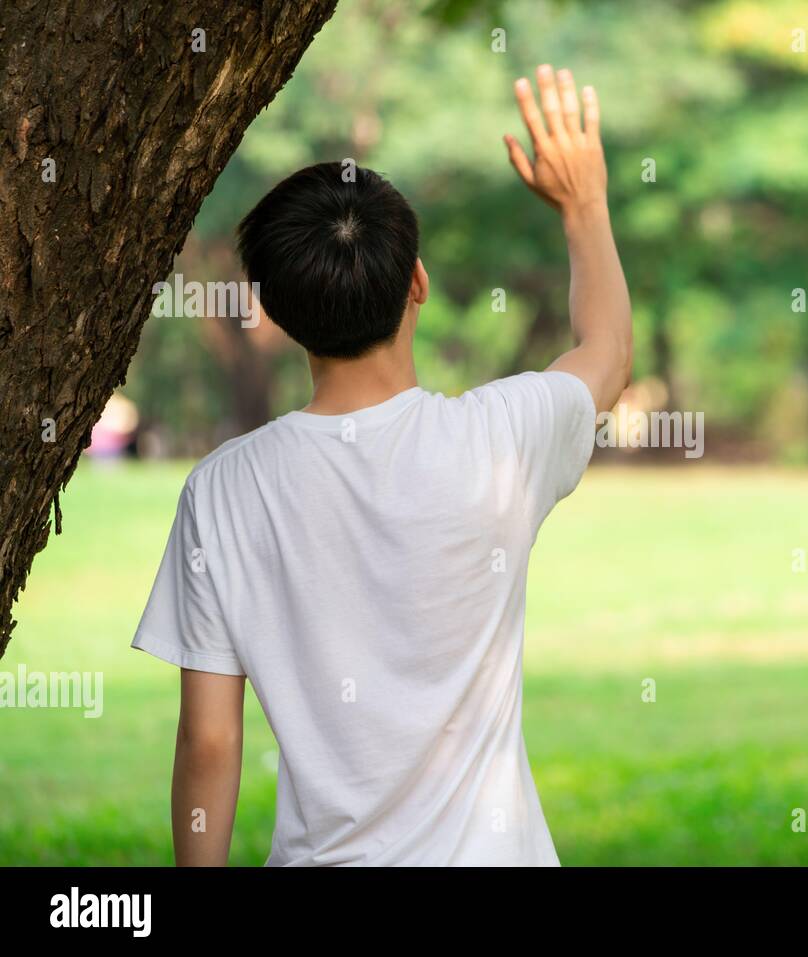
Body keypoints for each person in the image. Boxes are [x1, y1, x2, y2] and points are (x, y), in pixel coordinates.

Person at [130, 65, 630, 866]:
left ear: (279, 317)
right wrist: (585, 204)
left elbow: (212, 740)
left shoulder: (223, 489)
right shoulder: (500, 440)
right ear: (419, 285)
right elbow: (606, 353)